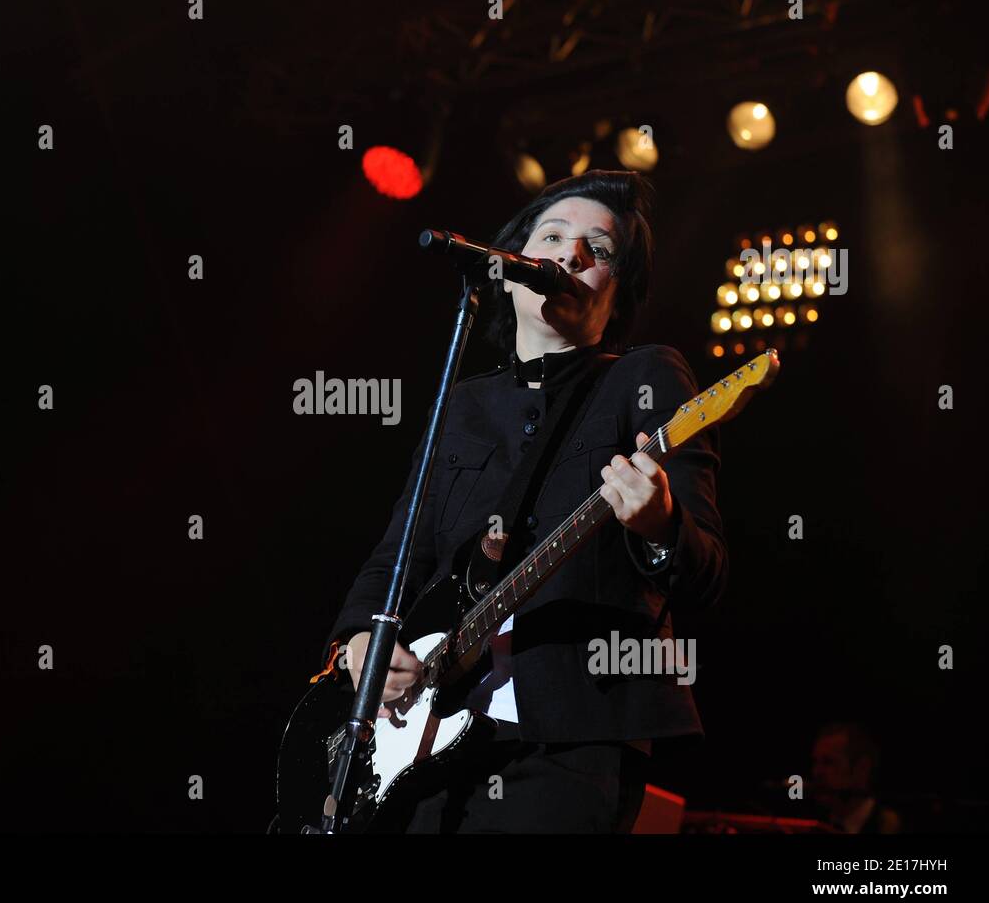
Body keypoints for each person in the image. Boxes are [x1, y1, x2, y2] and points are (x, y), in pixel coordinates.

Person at [319, 169, 728, 832]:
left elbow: (706, 568)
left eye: (599, 249)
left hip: (568, 738)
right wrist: (363, 637)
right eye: (554, 236)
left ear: (616, 295)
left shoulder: (645, 377)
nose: (571, 255)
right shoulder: (463, 404)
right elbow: (398, 552)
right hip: (427, 739)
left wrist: (659, 524)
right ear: (509, 267)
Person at [810, 722, 902, 833]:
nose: (816, 772)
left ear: (862, 768)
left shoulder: (892, 826)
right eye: (815, 762)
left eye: (828, 762)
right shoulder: (812, 824)